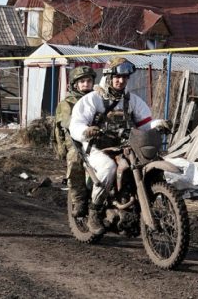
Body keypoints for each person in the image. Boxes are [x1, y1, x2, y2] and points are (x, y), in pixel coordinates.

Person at [69, 57, 171, 235]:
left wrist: (159, 124)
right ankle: (95, 211)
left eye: (124, 77)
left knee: (147, 166)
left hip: (125, 146)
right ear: (108, 77)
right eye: (117, 77)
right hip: (96, 147)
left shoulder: (132, 100)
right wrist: (87, 131)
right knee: (108, 168)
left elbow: (145, 124)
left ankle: (145, 207)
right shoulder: (93, 99)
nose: (121, 81)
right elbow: (75, 125)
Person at [54, 66, 97, 218]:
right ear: (75, 84)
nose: (86, 84)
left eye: (89, 81)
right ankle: (79, 200)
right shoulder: (67, 103)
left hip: (97, 138)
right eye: (82, 81)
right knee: (76, 163)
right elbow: (67, 124)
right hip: (75, 141)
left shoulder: (97, 98)